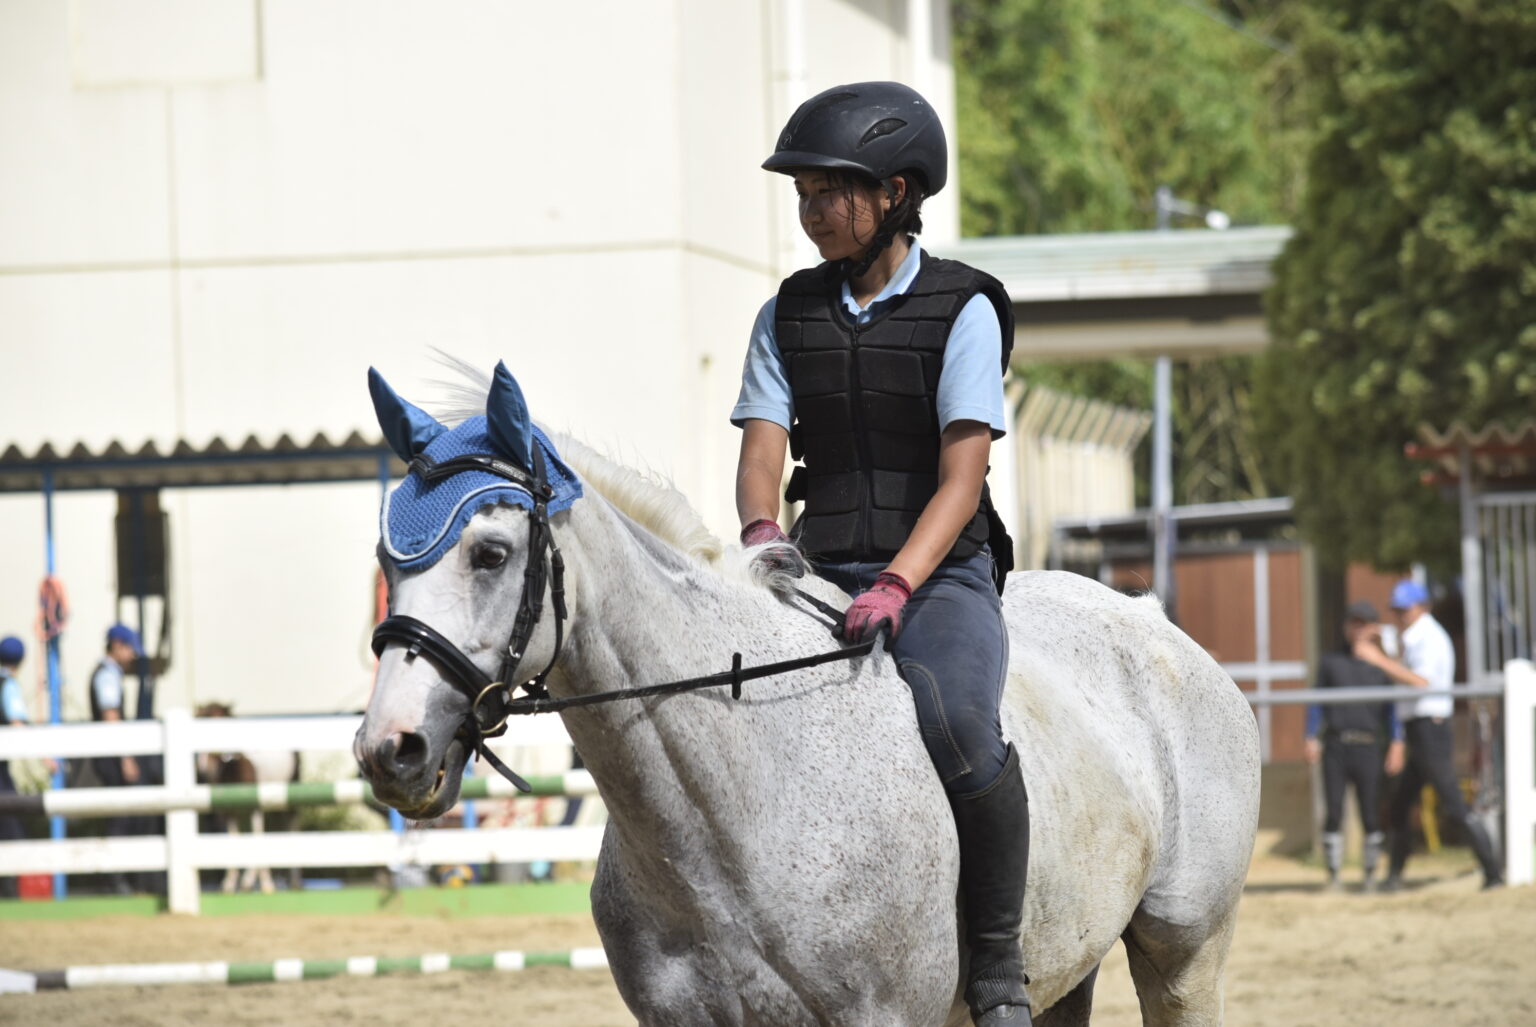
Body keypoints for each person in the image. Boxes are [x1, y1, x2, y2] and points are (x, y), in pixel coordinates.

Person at [732, 82, 1030, 1025]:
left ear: (896, 192)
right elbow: (761, 455)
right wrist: (761, 539)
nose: (814, 212)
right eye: (804, 194)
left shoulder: (964, 310)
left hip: (938, 576)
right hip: (815, 572)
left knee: (960, 725)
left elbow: (962, 480)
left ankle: (994, 963)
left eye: (832, 192)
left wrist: (901, 580)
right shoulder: (785, 313)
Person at [1351, 580, 1503, 890]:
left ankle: (1492, 872)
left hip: (1429, 730)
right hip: (1419, 730)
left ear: (1422, 608)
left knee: (1453, 803)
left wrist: (1377, 659)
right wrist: (1382, 640)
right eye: (1396, 610)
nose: (1399, 615)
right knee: (1400, 804)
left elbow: (1420, 681)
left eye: (1403, 609)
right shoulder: (1417, 636)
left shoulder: (1430, 638)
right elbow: (1402, 656)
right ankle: (1394, 877)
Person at [1303, 601, 1403, 891]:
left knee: (1370, 813)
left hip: (1369, 745)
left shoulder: (1383, 665)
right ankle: (1333, 876)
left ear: (1373, 628)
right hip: (1336, 744)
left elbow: (1392, 708)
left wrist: (1397, 741)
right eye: (1353, 622)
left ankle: (1370, 876)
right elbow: (1316, 703)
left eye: (1364, 623)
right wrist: (1311, 736)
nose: (1357, 629)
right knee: (1333, 812)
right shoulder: (1331, 661)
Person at [89, 623, 144, 894]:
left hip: (110, 755)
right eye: (130, 647)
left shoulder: (108, 674)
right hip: (112, 756)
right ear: (117, 646)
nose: (133, 654)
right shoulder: (107, 676)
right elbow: (112, 718)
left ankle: (118, 877)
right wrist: (127, 758)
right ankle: (116, 879)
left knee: (121, 814)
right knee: (121, 816)